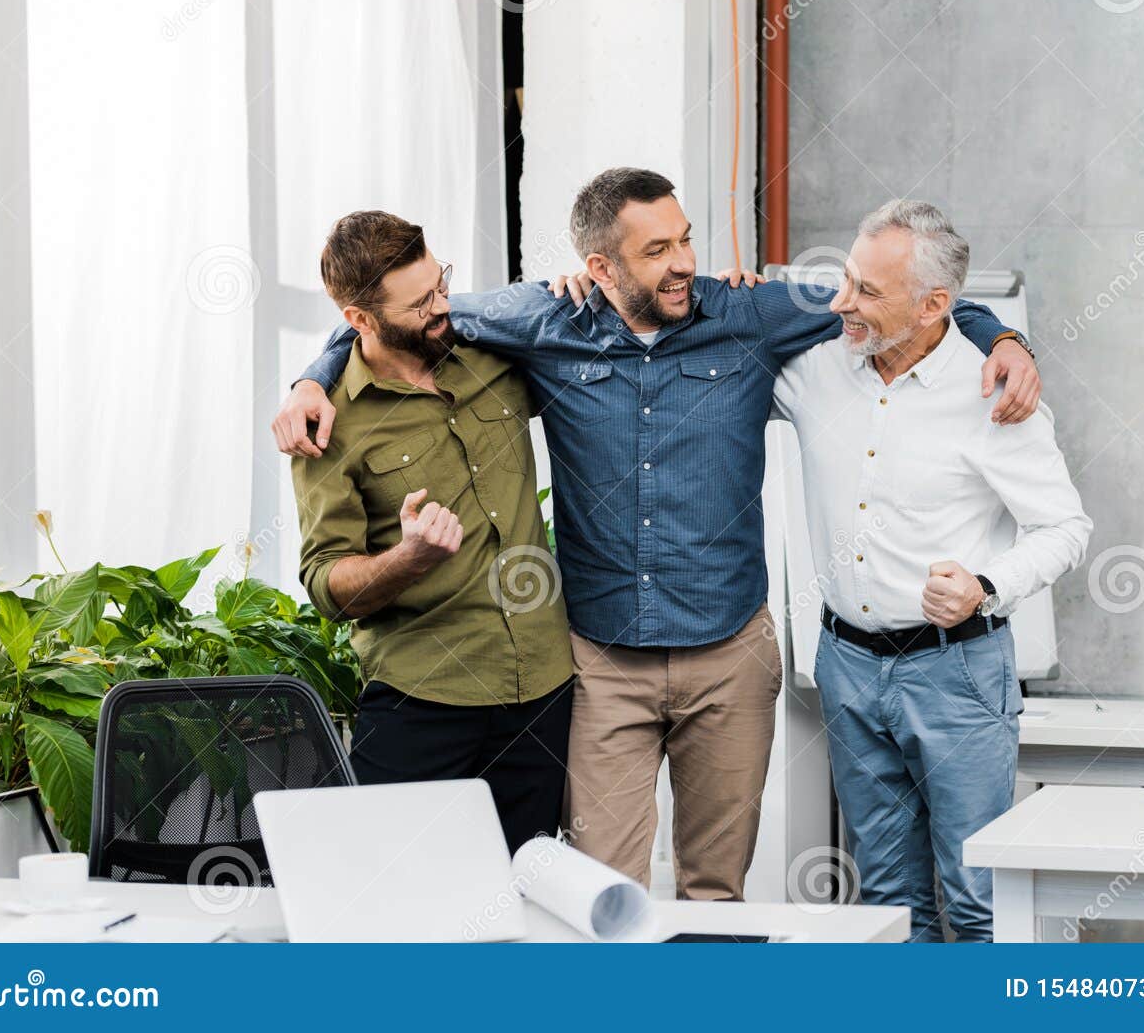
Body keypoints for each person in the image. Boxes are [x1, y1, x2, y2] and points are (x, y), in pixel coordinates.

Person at [272, 168, 1043, 899]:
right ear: (600, 268)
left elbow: (897, 302)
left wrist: (1004, 338)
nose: (684, 264)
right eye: (657, 250)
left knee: (717, 893)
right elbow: (402, 320)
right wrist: (314, 376)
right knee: (603, 894)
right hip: (603, 663)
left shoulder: (750, 312)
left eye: (685, 240)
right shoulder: (542, 320)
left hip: (729, 656)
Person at [772, 199, 1091, 941]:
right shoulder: (814, 367)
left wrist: (987, 587)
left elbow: (1066, 527)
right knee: (888, 902)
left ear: (932, 305)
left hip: (957, 672)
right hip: (847, 665)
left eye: (866, 291)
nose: (842, 302)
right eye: (846, 279)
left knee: (980, 899)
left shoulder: (994, 393)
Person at [288, 210, 574, 855]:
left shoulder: (494, 354)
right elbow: (327, 583)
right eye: (420, 304)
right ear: (359, 319)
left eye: (441, 283)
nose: (443, 306)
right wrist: (409, 558)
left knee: (526, 887)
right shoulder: (328, 424)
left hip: (541, 685)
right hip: (422, 696)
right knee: (393, 890)